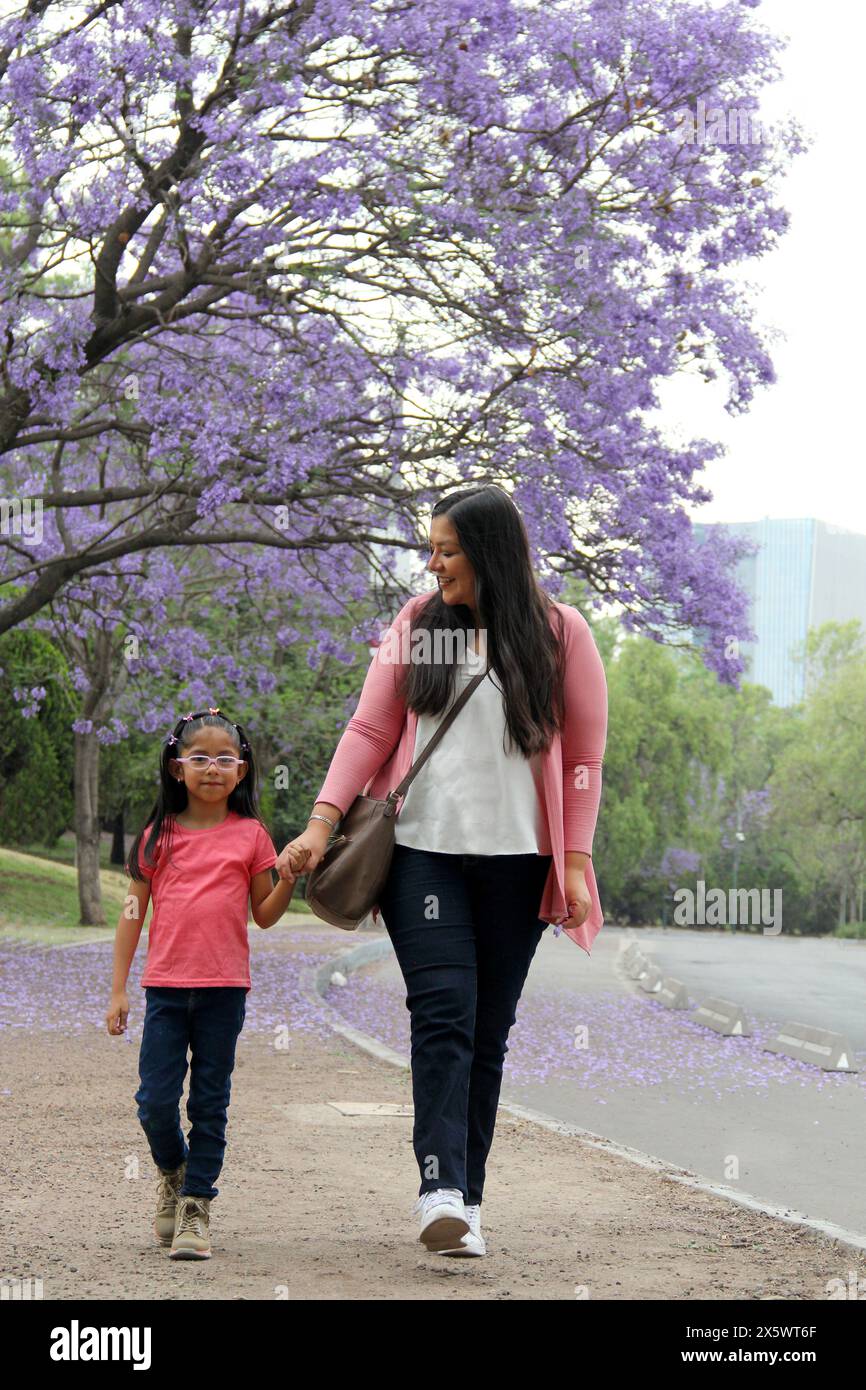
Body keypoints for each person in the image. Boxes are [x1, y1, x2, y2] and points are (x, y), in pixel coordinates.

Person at [276, 485, 608, 1257]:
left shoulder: (562, 635)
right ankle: (439, 1187)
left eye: (447, 550)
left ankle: (469, 1201)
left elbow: (584, 762)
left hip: (522, 866)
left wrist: (579, 865)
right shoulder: (418, 627)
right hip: (422, 857)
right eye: (431, 549)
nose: (433, 564)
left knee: (487, 1034)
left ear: (489, 551)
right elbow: (370, 726)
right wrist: (322, 822)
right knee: (444, 1015)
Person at [105, 707, 307, 1260]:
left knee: (210, 1103)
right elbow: (130, 912)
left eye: (225, 758)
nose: (212, 768)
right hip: (165, 991)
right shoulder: (156, 837)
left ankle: (196, 1205)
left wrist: (288, 877)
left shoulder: (252, 836)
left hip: (224, 992)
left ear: (241, 771)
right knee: (154, 1101)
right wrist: (119, 988)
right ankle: (173, 1170)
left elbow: (264, 914)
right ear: (176, 767)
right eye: (199, 757)